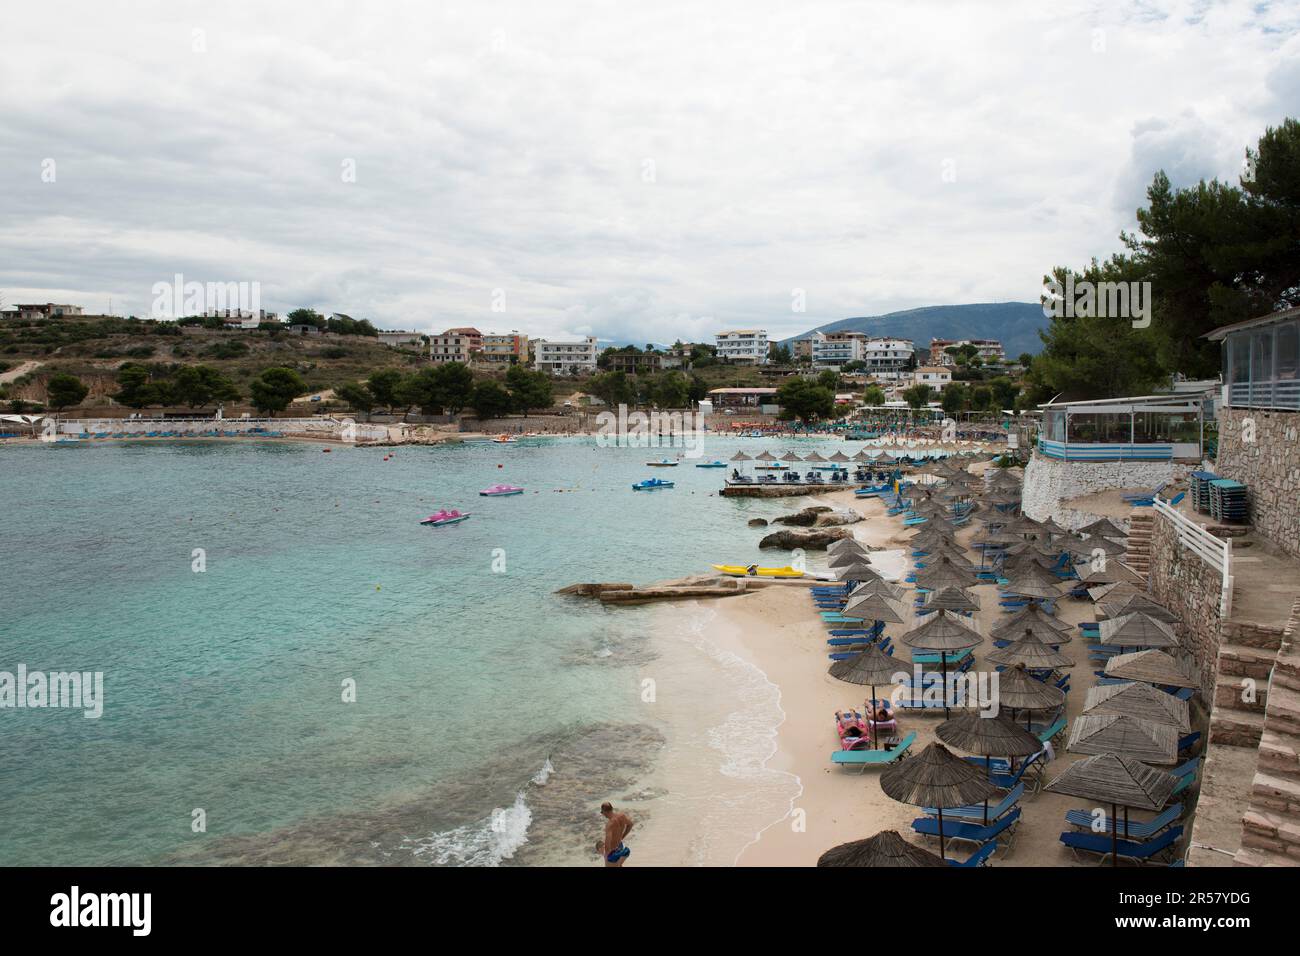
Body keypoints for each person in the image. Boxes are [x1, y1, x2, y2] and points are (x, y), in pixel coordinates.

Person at [600, 802, 633, 867]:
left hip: (613, 852)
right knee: (619, 865)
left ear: (605, 811)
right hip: (621, 848)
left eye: (602, 812)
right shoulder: (622, 816)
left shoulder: (609, 824)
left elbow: (608, 842)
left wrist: (607, 856)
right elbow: (630, 824)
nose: (603, 814)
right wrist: (622, 836)